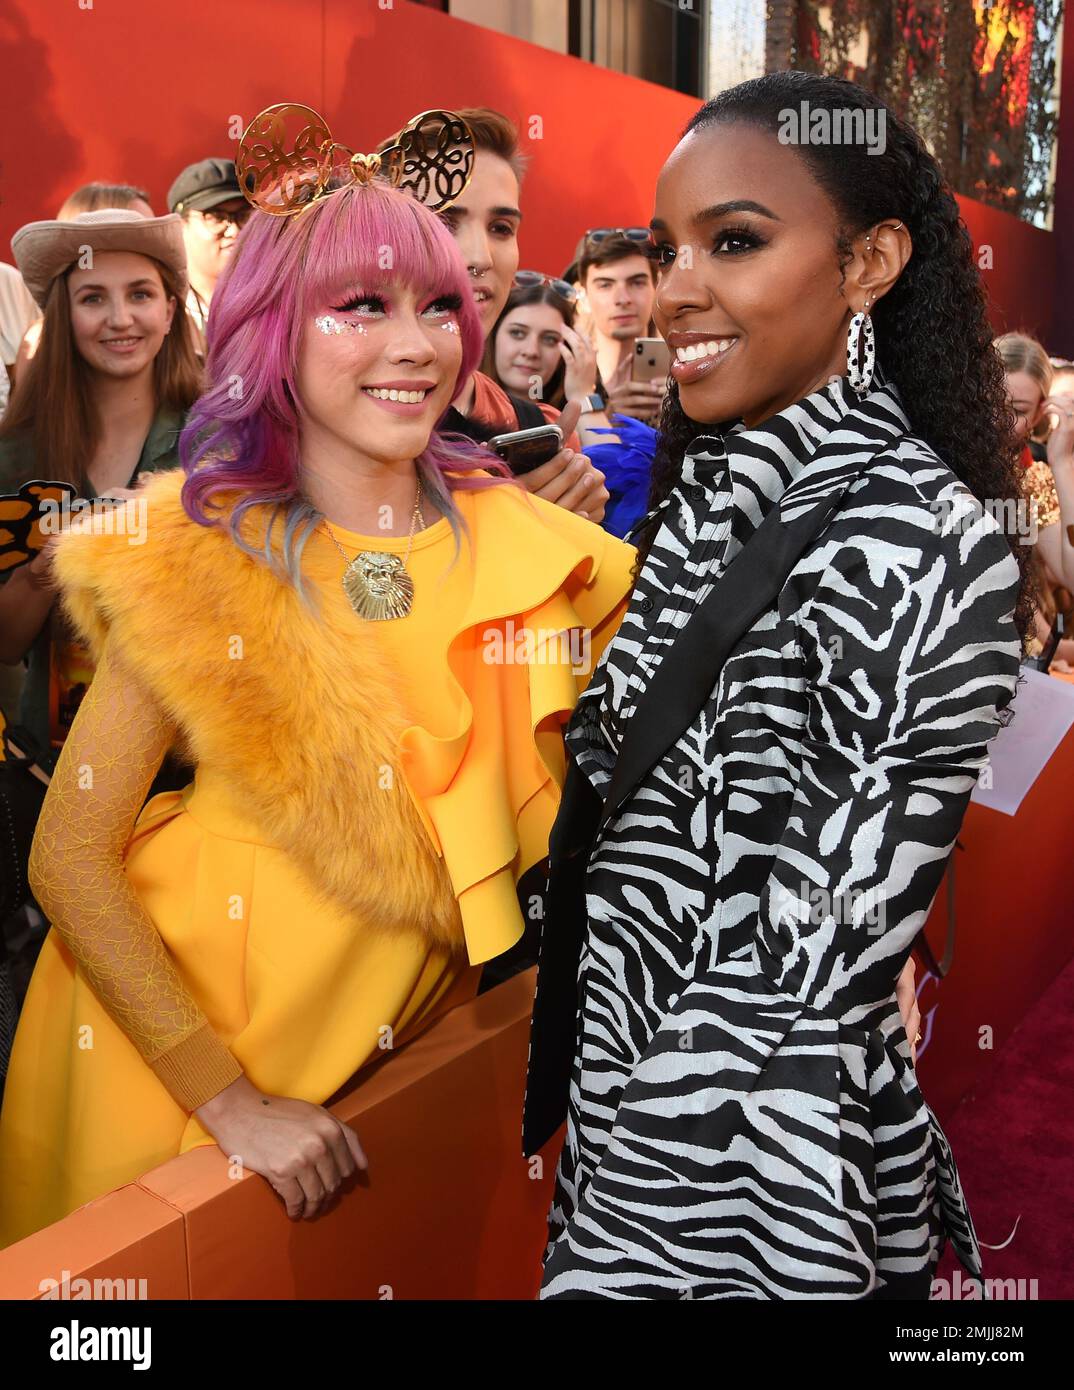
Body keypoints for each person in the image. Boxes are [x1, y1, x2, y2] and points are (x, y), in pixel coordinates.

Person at [0, 112, 634, 1247]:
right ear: (274, 335)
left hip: (388, 1079)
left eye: (438, 304)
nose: (419, 343)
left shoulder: (527, 547)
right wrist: (227, 1099)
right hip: (169, 1079)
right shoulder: (198, 555)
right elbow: (69, 852)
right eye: (363, 306)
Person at [522, 71, 1032, 1301]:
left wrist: (614, 1256)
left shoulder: (932, 539)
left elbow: (815, 958)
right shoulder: (709, 503)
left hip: (747, 1181)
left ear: (871, 264)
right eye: (664, 249)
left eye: (734, 241)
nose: (675, 288)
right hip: (622, 1100)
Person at [0, 209, 202, 763]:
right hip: (52, 760)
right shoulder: (15, 451)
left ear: (169, 312)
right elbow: (5, 644)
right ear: (63, 317)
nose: (120, 319)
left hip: (194, 765)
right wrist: (43, 572)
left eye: (140, 295)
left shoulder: (220, 439)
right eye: (93, 298)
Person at [380, 109, 609, 524]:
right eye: (445, 222)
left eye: (501, 228)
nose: (479, 258)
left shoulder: (540, 428)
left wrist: (573, 539)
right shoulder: (330, 421)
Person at [484, 277, 657, 539]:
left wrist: (584, 395)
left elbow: (620, 493)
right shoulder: (459, 411)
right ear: (493, 336)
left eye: (550, 339)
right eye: (517, 333)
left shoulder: (575, 422)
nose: (531, 350)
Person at [568, 228, 665, 425]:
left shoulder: (686, 370)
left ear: (656, 288)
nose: (623, 299)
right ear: (583, 296)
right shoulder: (562, 375)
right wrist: (606, 419)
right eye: (605, 285)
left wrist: (683, 412)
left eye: (637, 283)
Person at [166, 158, 250, 355]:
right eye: (216, 217)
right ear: (179, 227)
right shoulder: (163, 309)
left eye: (243, 216)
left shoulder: (275, 299)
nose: (233, 231)